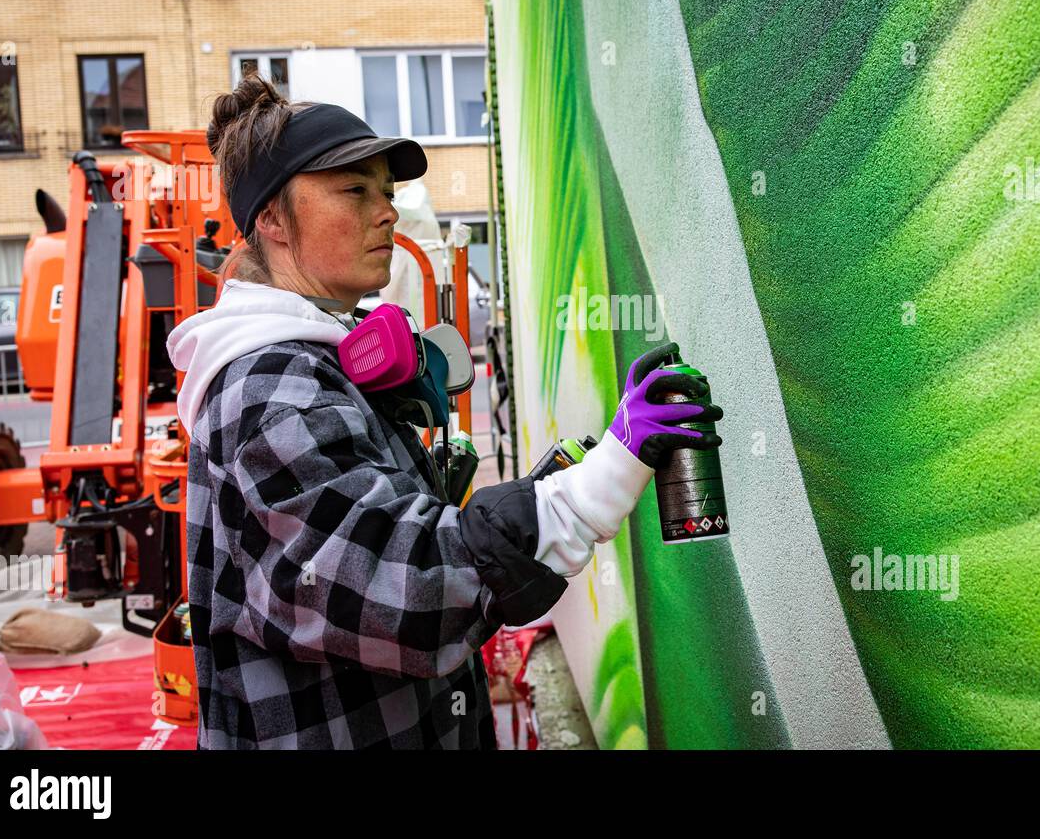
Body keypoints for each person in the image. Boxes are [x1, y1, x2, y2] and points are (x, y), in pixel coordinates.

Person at [166, 75, 723, 748]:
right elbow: (413, 589)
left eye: (388, 193)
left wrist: (566, 475)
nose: (387, 213)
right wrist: (597, 485)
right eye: (355, 191)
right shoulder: (273, 390)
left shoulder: (314, 363)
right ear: (274, 221)